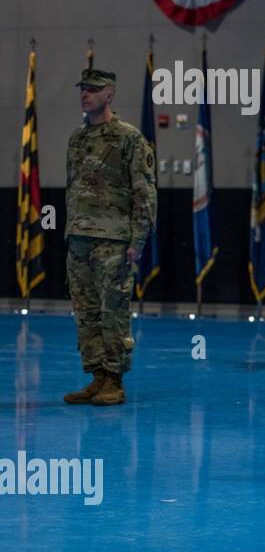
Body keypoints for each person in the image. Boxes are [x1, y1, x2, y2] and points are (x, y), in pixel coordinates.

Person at [62, 68, 157, 406]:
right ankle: (97, 376)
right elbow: (73, 189)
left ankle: (114, 380)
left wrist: (138, 240)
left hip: (114, 240)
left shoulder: (129, 138)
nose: (85, 94)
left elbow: (144, 192)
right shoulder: (77, 138)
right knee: (85, 311)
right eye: (83, 88)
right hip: (79, 238)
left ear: (110, 94)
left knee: (112, 310)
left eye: (93, 89)